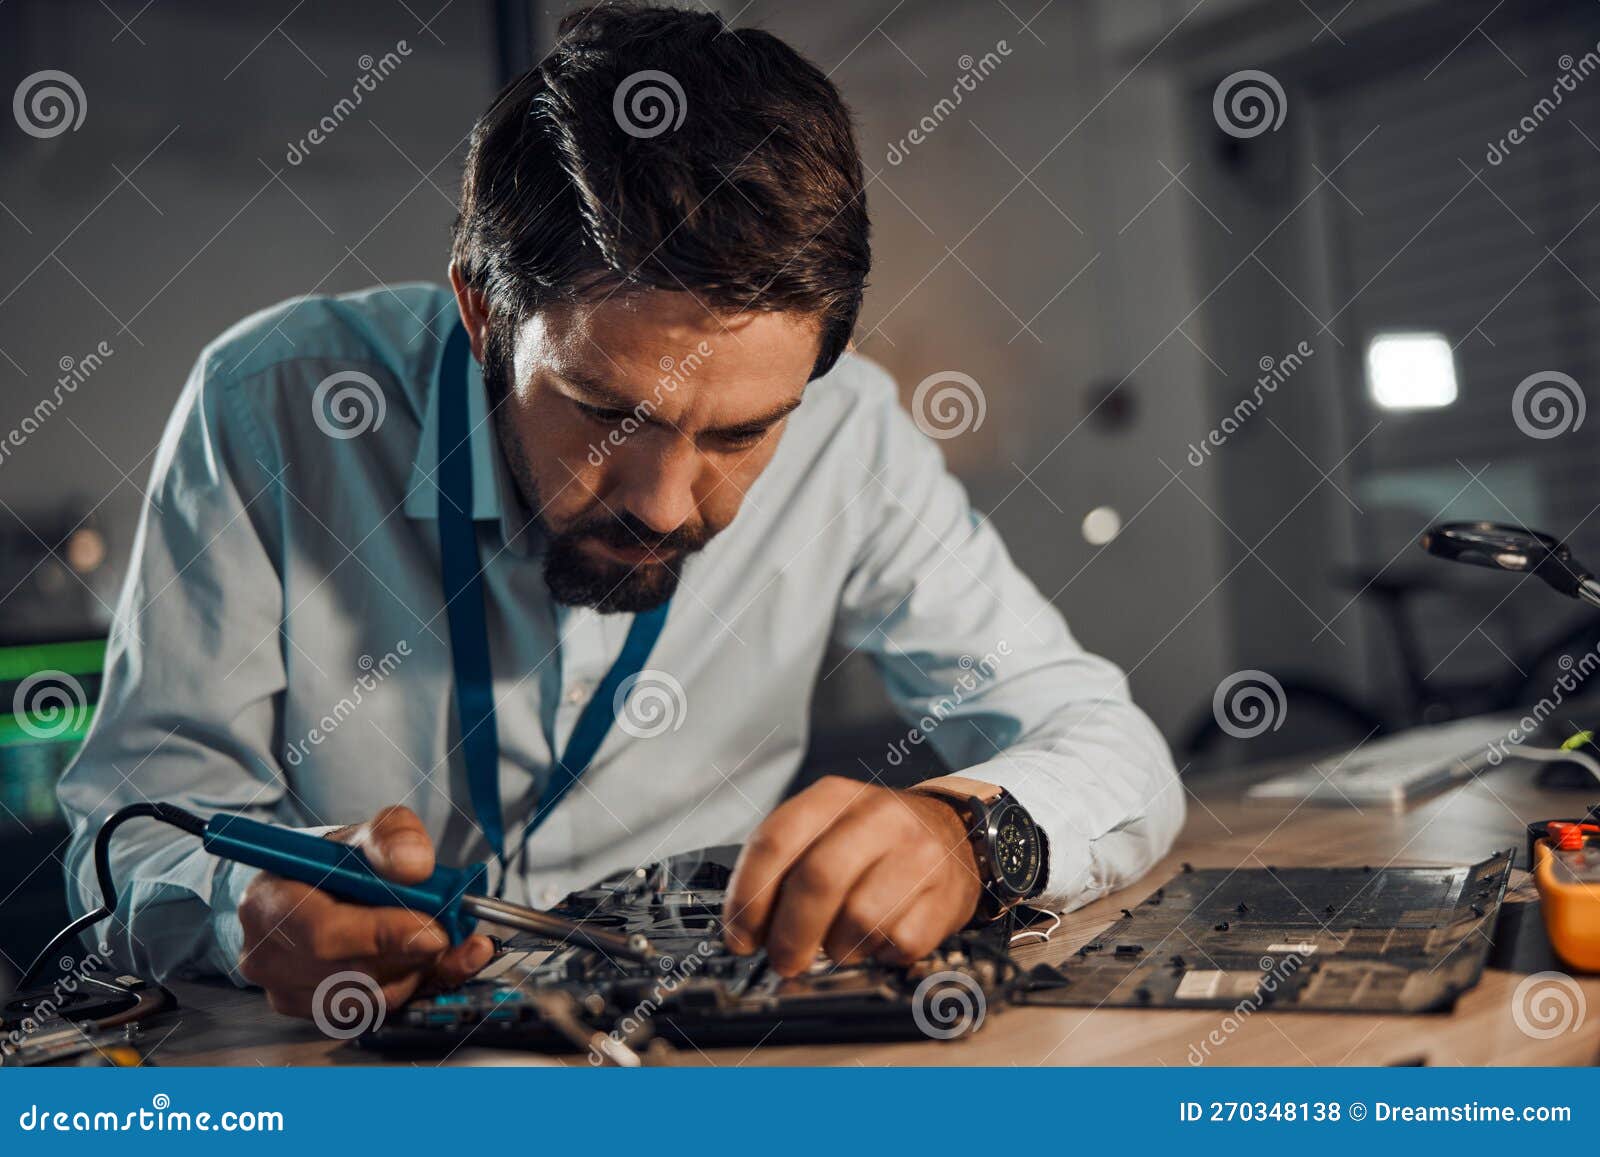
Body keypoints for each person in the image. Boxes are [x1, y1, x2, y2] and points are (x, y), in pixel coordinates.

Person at [58, 3, 1181, 1020]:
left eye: (741, 434)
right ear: (481, 308)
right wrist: (237, 905)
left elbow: (1107, 741)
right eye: (602, 412)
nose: (660, 502)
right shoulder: (273, 404)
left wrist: (967, 834)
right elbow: (135, 829)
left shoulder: (853, 433)